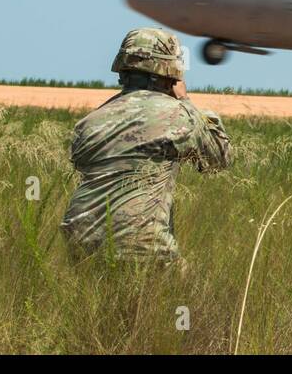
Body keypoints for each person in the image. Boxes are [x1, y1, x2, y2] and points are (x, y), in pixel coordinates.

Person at [61, 27, 231, 265]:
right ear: (170, 74)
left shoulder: (89, 121)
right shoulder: (177, 115)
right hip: (145, 248)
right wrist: (185, 100)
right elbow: (217, 160)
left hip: (81, 241)